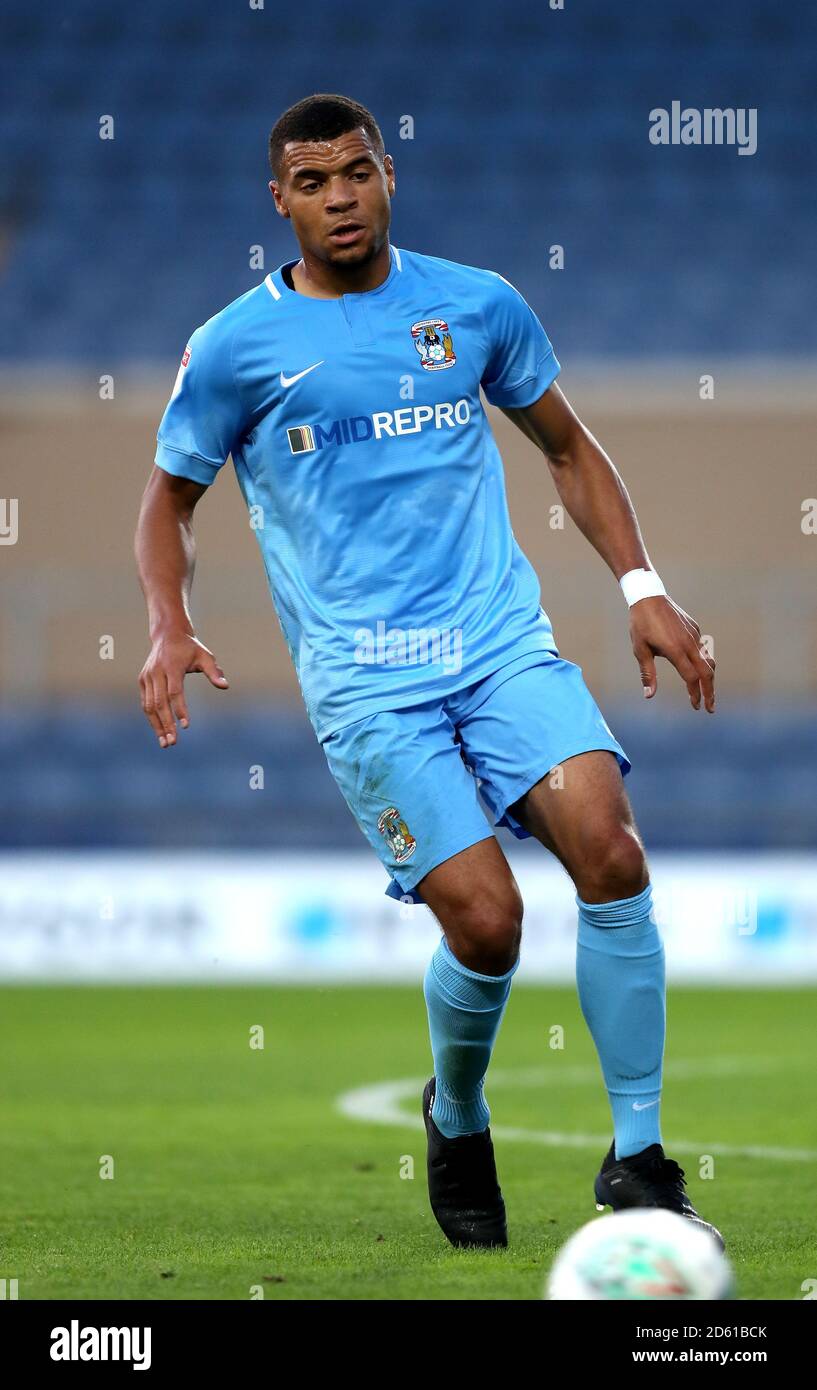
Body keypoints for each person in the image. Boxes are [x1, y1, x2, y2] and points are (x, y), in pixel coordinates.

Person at [135, 92, 722, 1252]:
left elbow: (566, 445)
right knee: (489, 922)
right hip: (367, 681)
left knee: (609, 848)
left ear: (387, 173)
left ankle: (641, 1158)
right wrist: (166, 622)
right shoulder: (234, 347)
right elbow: (168, 496)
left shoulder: (475, 304)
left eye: (355, 171)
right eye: (311, 183)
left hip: (499, 643)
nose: (338, 197)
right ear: (279, 202)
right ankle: (456, 1112)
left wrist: (640, 586)